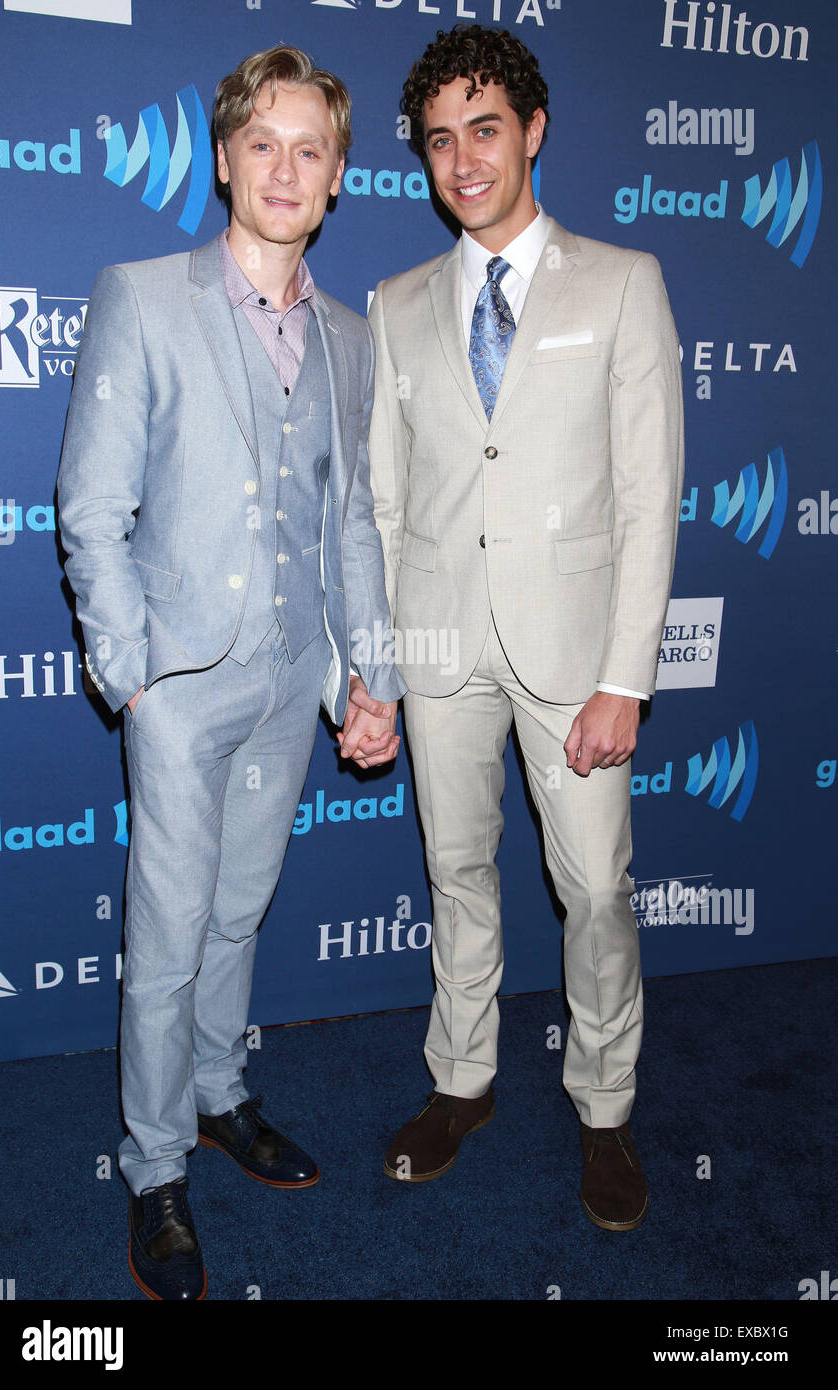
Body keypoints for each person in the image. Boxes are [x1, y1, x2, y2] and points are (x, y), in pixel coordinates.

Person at [58, 45, 404, 1300]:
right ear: (222, 160)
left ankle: (216, 1094)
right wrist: (131, 678)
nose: (284, 167)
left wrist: (372, 674)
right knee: (162, 935)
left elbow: (351, 519)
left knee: (239, 911)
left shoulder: (352, 338)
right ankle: (153, 1166)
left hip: (289, 684)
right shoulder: (141, 296)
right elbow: (91, 509)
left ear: (336, 180)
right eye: (263, 142)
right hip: (181, 688)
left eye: (310, 149)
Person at [368, 24, 684, 1230]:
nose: (462, 159)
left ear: (532, 131)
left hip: (574, 658)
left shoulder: (620, 281)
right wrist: (389, 664)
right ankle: (462, 1079)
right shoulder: (395, 303)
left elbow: (650, 494)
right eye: (439, 139)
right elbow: (389, 503)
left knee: (593, 890)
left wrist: (624, 676)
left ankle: (604, 1104)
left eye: (483, 129)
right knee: (454, 872)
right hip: (441, 643)